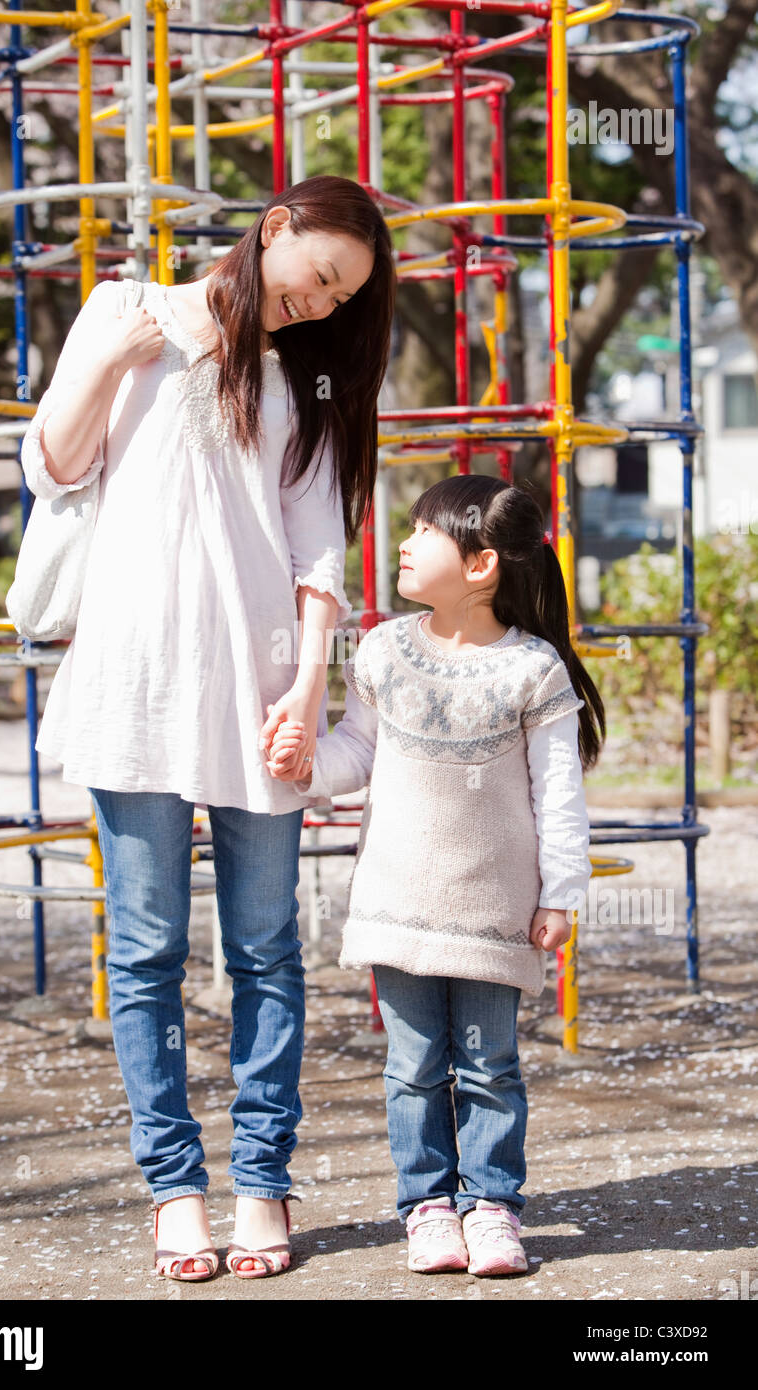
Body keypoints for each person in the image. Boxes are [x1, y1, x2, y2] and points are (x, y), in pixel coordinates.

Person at [20, 175, 396, 1280]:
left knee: (265, 950)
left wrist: (305, 688)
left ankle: (263, 1182)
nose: (322, 306)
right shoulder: (122, 310)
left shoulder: (305, 372)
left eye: (342, 297)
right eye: (318, 276)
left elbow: (314, 550)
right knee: (143, 953)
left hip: (259, 691)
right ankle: (174, 1186)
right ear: (274, 229)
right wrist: (101, 361)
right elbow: (53, 467)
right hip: (131, 683)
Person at [262, 473, 605, 1276]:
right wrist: (304, 765)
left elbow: (559, 793)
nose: (405, 543)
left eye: (424, 531)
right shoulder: (383, 650)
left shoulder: (534, 670)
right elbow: (357, 754)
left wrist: (562, 892)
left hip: (496, 911)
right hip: (397, 905)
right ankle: (425, 1207)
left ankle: (491, 1208)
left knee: (489, 1063)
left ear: (481, 565)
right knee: (412, 1065)